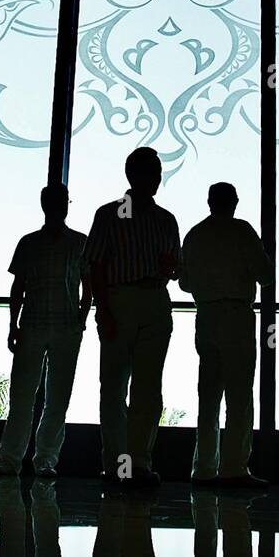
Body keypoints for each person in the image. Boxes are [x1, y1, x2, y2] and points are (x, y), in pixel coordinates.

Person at [84, 146, 180, 487]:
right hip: (128, 298)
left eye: (155, 173)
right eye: (150, 173)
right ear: (133, 176)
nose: (154, 179)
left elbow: (96, 263)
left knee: (141, 388)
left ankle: (132, 463)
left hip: (145, 298)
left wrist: (103, 309)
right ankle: (125, 464)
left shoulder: (153, 218)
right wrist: (103, 309)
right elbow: (94, 265)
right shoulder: (116, 215)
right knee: (122, 387)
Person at [0, 182, 89, 478]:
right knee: (44, 396)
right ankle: (40, 459)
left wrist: (13, 324)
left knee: (31, 396)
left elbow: (18, 286)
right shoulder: (76, 243)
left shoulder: (32, 242)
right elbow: (87, 286)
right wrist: (80, 317)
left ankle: (17, 459)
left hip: (40, 324)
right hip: (53, 326)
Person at [179, 182, 271, 488]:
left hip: (205, 315)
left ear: (209, 202)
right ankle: (234, 467)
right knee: (239, 394)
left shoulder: (195, 234)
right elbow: (266, 275)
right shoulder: (243, 231)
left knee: (209, 394)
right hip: (237, 315)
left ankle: (203, 468)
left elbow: (184, 284)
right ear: (234, 202)